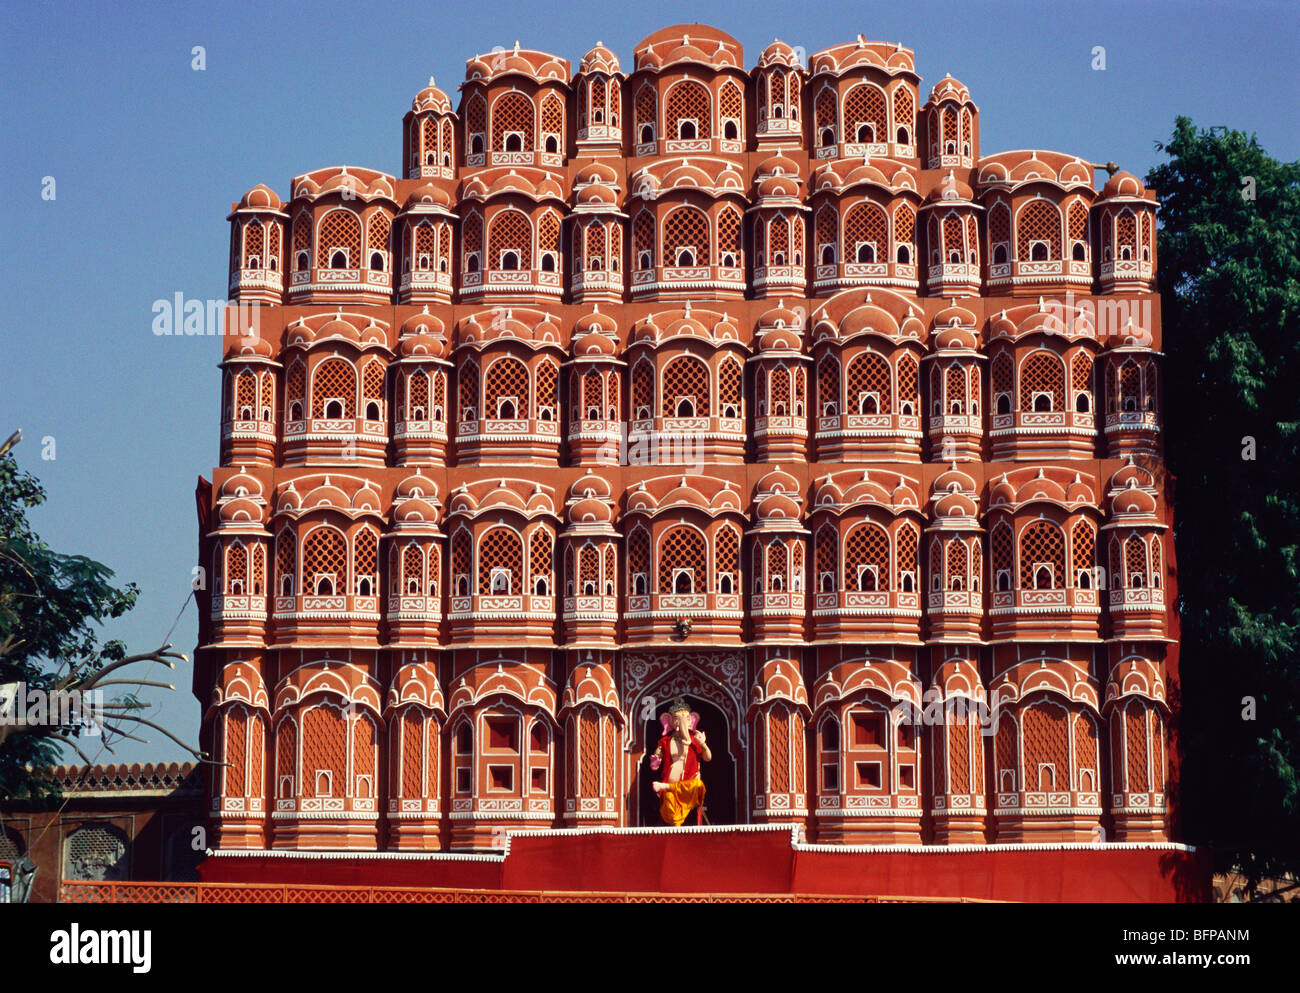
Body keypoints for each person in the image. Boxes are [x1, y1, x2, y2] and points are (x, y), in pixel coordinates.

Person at [649, 697, 712, 826]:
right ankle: (667, 788)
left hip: (689, 790)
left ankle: (665, 787)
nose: (682, 722)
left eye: (686, 719)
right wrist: (655, 761)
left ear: (692, 721)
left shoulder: (694, 740)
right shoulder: (665, 741)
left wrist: (703, 744)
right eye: (678, 718)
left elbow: (708, 758)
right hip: (671, 791)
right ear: (669, 721)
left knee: (698, 785)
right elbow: (655, 761)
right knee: (671, 811)